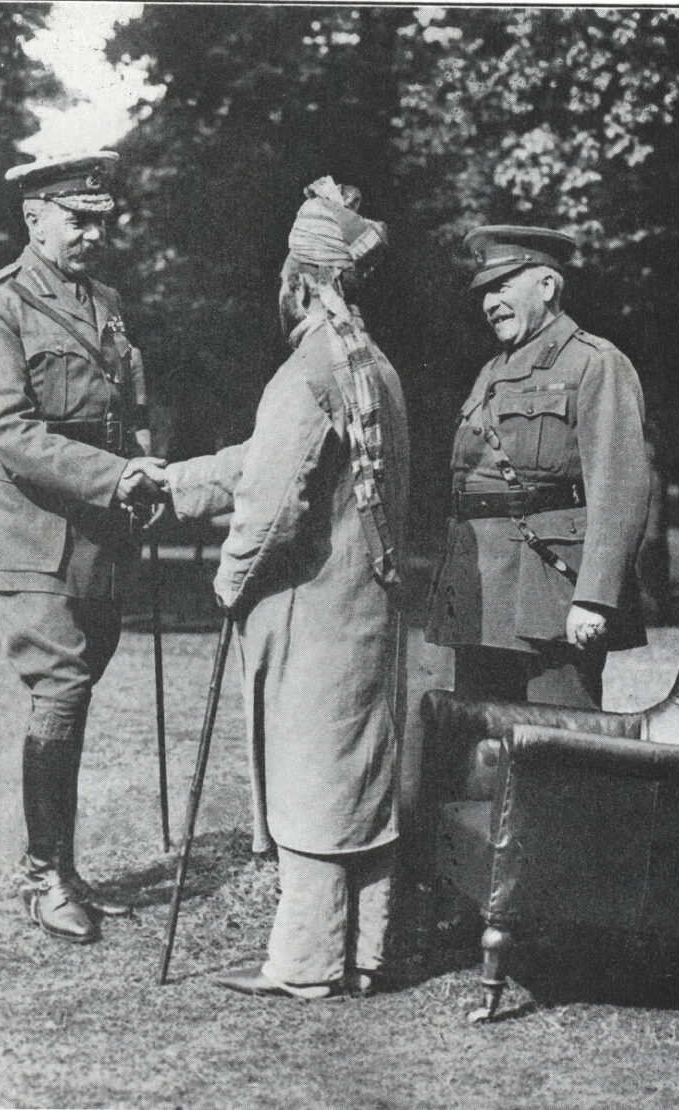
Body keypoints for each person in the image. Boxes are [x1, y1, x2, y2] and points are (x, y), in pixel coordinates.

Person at [166, 176, 409, 998]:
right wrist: (168, 481)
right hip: (369, 606)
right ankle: (369, 951)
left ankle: (305, 963)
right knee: (361, 773)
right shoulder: (375, 369)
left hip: (316, 611)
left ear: (300, 280)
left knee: (313, 777)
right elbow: (262, 459)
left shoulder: (306, 371)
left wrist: (229, 582)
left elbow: (271, 504)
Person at [0, 152, 168, 944]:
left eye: (102, 219)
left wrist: (145, 467)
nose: (94, 232)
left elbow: (132, 401)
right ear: (35, 219)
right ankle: (43, 875)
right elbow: (9, 431)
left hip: (99, 535)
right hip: (26, 528)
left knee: (74, 700)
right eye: (78, 219)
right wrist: (120, 476)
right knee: (62, 688)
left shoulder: (106, 301)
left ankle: (65, 864)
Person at [426, 225, 651, 707]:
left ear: (547, 286)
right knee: (483, 752)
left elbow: (620, 487)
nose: (490, 303)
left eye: (502, 286)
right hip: (481, 598)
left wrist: (593, 596)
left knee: (559, 748)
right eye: (484, 292)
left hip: (551, 595)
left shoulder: (595, 363)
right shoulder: (491, 372)